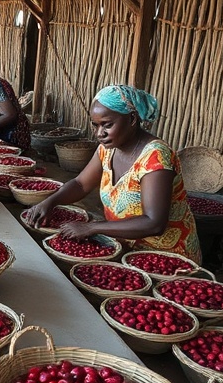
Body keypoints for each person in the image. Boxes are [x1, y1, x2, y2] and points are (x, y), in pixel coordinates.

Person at [26, 85, 202, 263]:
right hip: (124, 250)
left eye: (107, 125)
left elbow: (154, 223)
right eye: (95, 126)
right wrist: (50, 201)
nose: (100, 133)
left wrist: (92, 227)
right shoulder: (107, 149)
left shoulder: (156, 157)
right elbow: (81, 184)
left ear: (132, 118)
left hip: (166, 260)